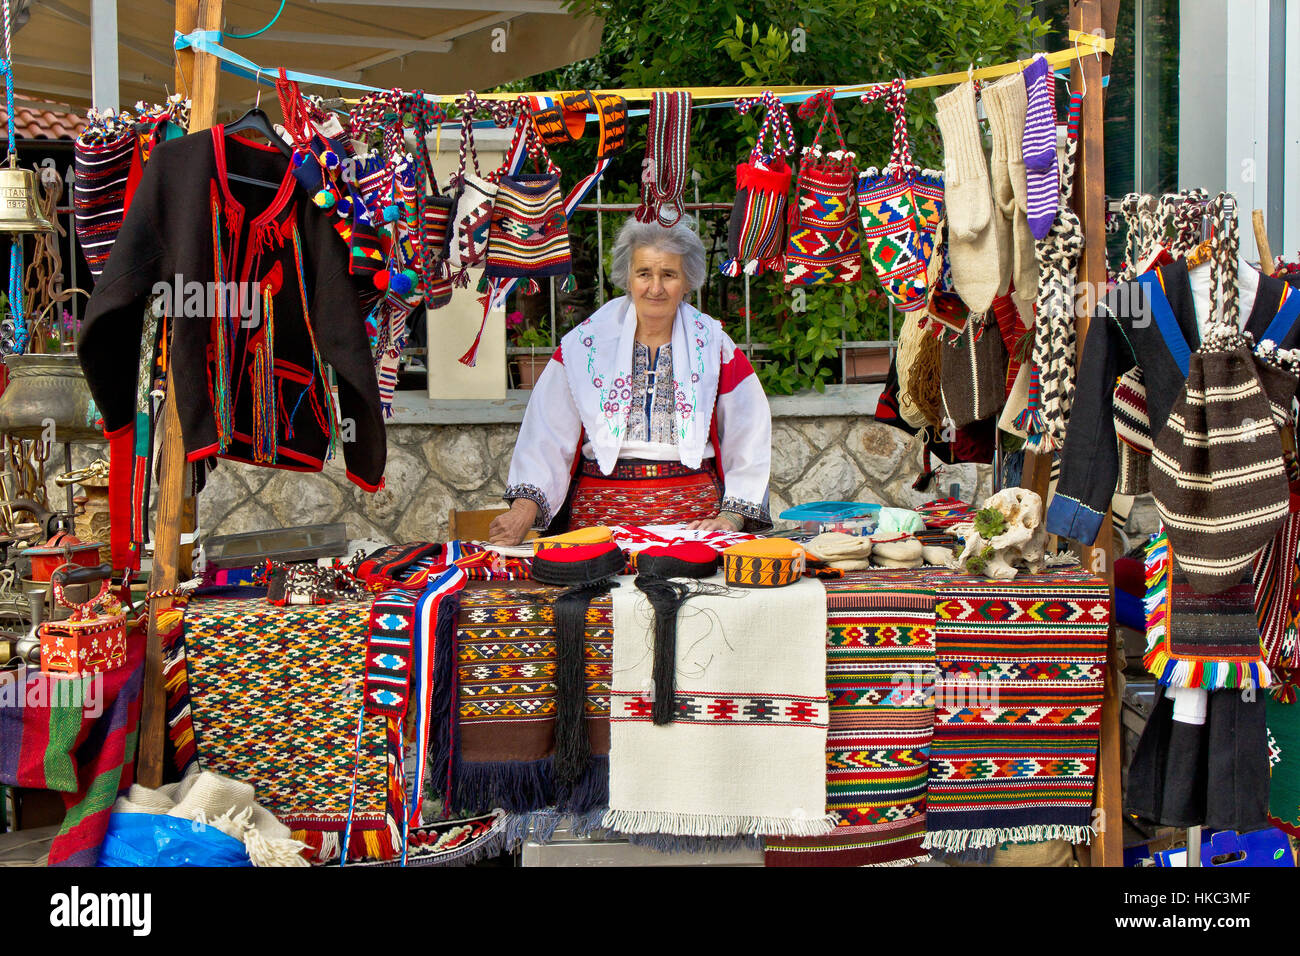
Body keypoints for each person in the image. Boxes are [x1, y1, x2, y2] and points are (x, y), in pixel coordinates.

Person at [489, 217, 772, 545]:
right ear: (627, 277)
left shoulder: (714, 345)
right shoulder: (584, 346)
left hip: (694, 531)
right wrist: (523, 511)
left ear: (687, 280)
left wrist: (730, 517)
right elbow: (547, 437)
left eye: (668, 275)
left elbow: (747, 433)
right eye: (644, 274)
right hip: (596, 532)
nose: (655, 288)